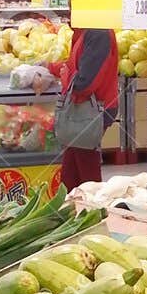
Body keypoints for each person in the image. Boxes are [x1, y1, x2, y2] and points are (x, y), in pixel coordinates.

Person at [55, 27, 118, 188]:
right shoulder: (85, 31)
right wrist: (51, 68)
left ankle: (93, 208)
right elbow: (75, 66)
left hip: (91, 109)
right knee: (72, 169)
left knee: (86, 173)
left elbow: (85, 82)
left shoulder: (98, 32)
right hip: (85, 108)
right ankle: (70, 206)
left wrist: (64, 77)